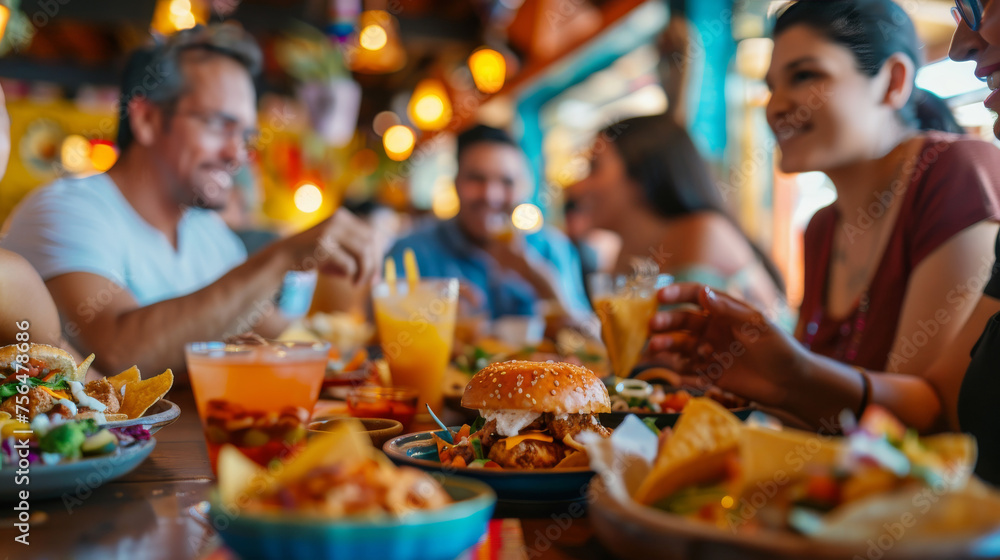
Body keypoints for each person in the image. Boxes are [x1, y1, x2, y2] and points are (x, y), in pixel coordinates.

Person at [646, 0, 1000, 435]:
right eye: (771, 86)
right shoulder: (820, 228)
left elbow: (923, 424)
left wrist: (789, 375)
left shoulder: (953, 172)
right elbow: (811, 421)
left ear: (893, 81)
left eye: (805, 76)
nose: (775, 107)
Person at [0, 25, 376, 377]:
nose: (238, 153)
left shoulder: (208, 235)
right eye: (218, 124)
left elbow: (281, 338)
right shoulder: (68, 209)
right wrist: (283, 256)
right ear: (146, 118)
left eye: (245, 135)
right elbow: (118, 354)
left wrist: (352, 319)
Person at [574, 114, 788, 318]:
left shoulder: (702, 232)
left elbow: (678, 347)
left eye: (594, 168)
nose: (577, 187)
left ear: (639, 174)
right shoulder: (626, 253)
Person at [386, 125, 590, 323]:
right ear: (456, 183)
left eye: (506, 181)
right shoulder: (413, 251)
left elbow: (591, 339)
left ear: (524, 188)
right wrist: (433, 312)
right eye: (476, 179)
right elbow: (382, 326)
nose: (491, 196)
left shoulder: (553, 249)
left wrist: (539, 278)